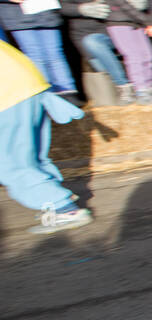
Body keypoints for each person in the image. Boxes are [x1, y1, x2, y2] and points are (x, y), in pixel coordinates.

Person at [0, 40, 91, 232]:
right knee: (32, 156)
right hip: (26, 81)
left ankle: (62, 208)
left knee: (9, 164)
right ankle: (54, 194)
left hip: (7, 94)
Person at [52, 0, 133, 103]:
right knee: (99, 61)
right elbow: (61, 6)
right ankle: (122, 90)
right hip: (84, 34)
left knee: (102, 48)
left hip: (110, 27)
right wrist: (82, 9)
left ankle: (125, 86)